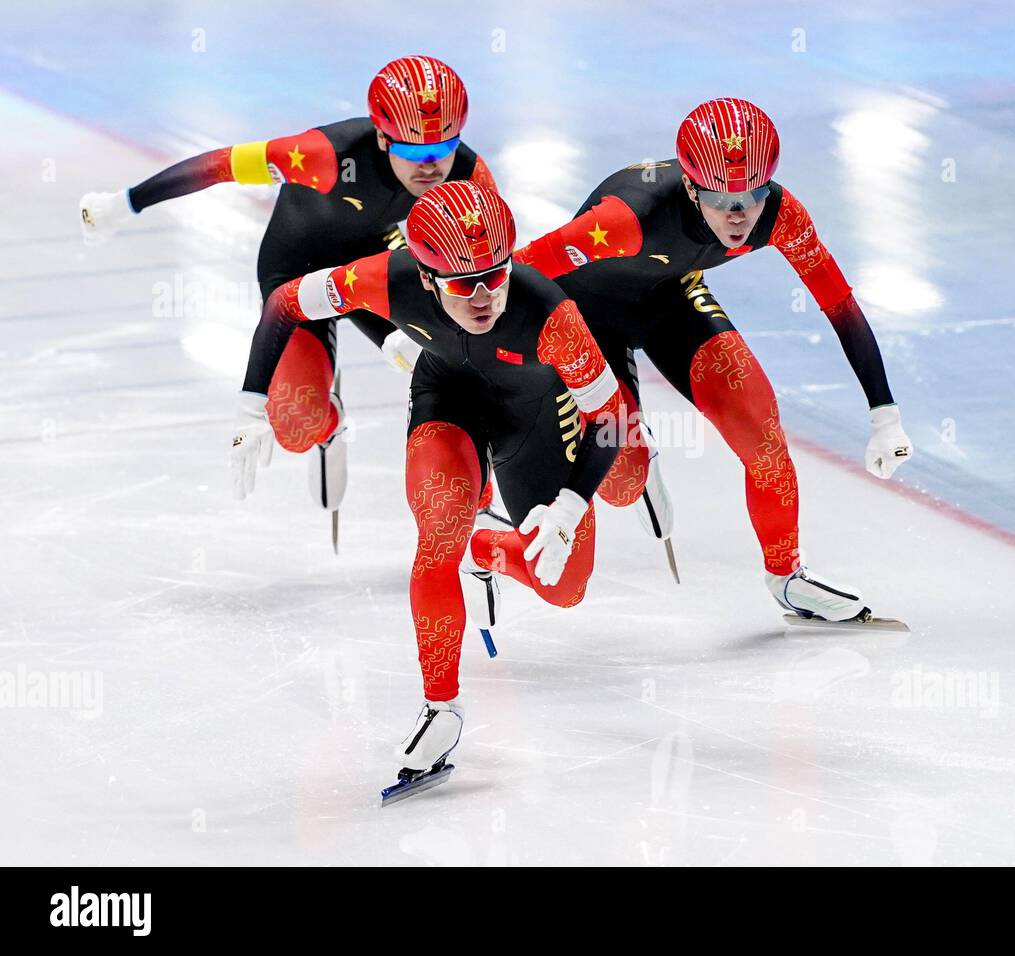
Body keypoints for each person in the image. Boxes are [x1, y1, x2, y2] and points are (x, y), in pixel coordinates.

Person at [232, 180, 639, 792]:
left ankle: (486, 550)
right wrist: (249, 404)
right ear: (425, 279)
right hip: (446, 400)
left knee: (566, 587)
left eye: (494, 275)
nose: (482, 296)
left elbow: (612, 417)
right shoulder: (382, 278)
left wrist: (568, 505)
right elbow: (286, 302)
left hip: (534, 417)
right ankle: (441, 708)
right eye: (460, 283)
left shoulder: (550, 313)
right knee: (437, 534)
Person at [515, 97, 913, 623]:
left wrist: (884, 413)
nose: (738, 213)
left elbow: (838, 303)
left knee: (761, 429)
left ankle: (787, 576)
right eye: (720, 198)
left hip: (668, 299)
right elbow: (512, 274)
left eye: (751, 193)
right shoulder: (626, 221)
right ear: (689, 187)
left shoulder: (779, 213)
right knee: (621, 478)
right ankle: (637, 454)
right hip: (587, 317)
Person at [78, 56, 499, 537]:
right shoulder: (323, 153)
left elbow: (501, 269)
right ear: (383, 138)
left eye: (444, 144)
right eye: (413, 148)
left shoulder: (467, 171)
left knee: (460, 342)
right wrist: (125, 202)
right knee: (297, 426)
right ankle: (329, 424)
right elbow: (220, 166)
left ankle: (479, 494)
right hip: (296, 275)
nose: (430, 164)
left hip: (372, 259)